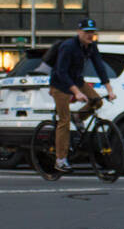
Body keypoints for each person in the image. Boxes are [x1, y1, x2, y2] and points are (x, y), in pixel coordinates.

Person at [48, 17, 117, 172]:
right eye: (86, 32)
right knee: (64, 121)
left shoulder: (91, 47)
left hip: (77, 81)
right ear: (79, 32)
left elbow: (99, 66)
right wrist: (76, 92)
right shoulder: (68, 47)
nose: (89, 35)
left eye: (92, 32)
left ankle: (79, 117)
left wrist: (109, 89)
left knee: (97, 101)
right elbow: (61, 72)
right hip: (60, 84)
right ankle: (60, 159)